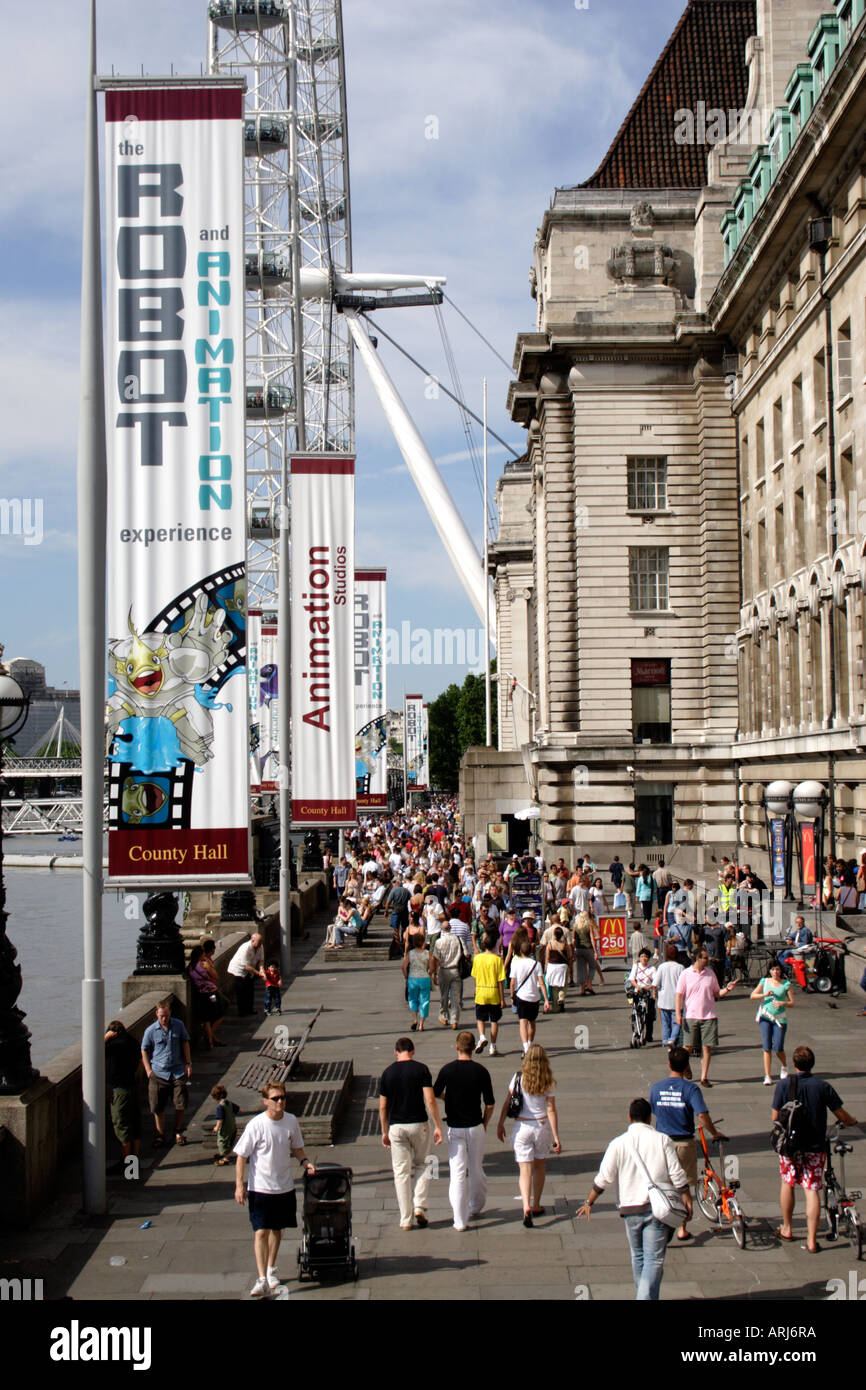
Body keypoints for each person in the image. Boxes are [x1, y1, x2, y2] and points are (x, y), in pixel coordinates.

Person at [577, 1098, 692, 1300]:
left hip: (630, 1210)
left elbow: (604, 1178)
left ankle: (644, 1295)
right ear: (650, 1118)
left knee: (638, 1256)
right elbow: (676, 1173)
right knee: (653, 1261)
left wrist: (589, 1202)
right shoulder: (662, 1139)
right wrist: (686, 1195)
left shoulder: (618, 1143)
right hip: (657, 1209)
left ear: (629, 1117)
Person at [772, 1045, 858, 1252]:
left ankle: (788, 1228)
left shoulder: (784, 1085)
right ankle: (811, 1240)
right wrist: (851, 1121)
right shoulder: (823, 1086)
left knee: (788, 1182)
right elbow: (842, 1115)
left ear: (794, 1064)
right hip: (815, 1145)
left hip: (790, 1146)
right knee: (812, 1189)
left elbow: (775, 1118)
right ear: (812, 1064)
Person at [234, 1081, 316, 1297]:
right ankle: (261, 1279)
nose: (280, 1101)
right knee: (261, 1231)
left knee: (277, 1230)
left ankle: (270, 1269)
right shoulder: (256, 1125)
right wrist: (239, 1185)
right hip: (260, 1188)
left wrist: (305, 1162)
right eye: (275, 1098)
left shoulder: (291, 1121)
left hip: (284, 1186)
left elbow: (297, 1148)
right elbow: (241, 1156)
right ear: (265, 1102)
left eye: (282, 1097)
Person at [649, 1045, 726, 1241]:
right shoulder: (691, 1089)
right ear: (686, 1067)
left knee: (662, 1185)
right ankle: (682, 1228)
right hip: (683, 1143)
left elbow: (653, 1114)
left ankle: (660, 1223)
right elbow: (702, 1115)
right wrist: (714, 1132)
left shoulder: (656, 1088)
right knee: (682, 1187)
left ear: (669, 1064)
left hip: (661, 1143)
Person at [378, 1036, 443, 1230]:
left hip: (396, 1127)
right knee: (423, 1164)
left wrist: (384, 1131)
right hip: (418, 1123)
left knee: (401, 1173)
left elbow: (382, 1107)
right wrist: (438, 1125)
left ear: (396, 1052)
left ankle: (405, 1219)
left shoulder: (387, 1073)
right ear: (413, 1051)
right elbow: (430, 1099)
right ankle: (419, 1206)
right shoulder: (421, 1069)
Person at [433, 1031, 495, 1230]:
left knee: (457, 1173)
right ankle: (476, 1206)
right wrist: (484, 1123)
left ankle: (459, 1220)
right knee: (476, 1168)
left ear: (457, 1047)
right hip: (475, 1125)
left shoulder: (447, 1070)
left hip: (455, 1126)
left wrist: (447, 1098)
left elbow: (434, 1092)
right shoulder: (481, 1071)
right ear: (473, 1048)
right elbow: (490, 1104)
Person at [497, 1044, 561, 1227]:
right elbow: (551, 1110)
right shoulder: (548, 1081)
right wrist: (556, 1137)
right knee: (540, 1166)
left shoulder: (518, 1078)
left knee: (524, 1170)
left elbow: (508, 1102)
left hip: (522, 1126)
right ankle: (536, 1205)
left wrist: (501, 1123)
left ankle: (525, 1206)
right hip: (541, 1126)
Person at [675, 947, 738, 1086]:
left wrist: (727, 989)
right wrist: (678, 1014)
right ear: (698, 958)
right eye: (705, 958)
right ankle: (683, 1067)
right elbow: (679, 995)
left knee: (707, 1047)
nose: (708, 960)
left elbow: (717, 993)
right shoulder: (686, 974)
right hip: (691, 1015)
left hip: (709, 1016)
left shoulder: (710, 974)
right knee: (687, 1047)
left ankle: (704, 1077)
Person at [140, 999, 192, 1148]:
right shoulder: (150, 1031)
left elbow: (185, 1042)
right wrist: (148, 1070)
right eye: (162, 1016)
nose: (164, 1019)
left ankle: (178, 1130)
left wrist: (188, 1063)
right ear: (156, 1013)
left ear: (170, 1014)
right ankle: (160, 1134)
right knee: (157, 1105)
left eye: (167, 1016)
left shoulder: (178, 1025)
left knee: (180, 1102)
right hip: (159, 1072)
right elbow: (144, 1049)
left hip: (177, 1071)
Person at [105, 1020, 142, 1167]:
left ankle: (127, 1164)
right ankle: (134, 1163)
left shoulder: (113, 1045)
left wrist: (105, 1039)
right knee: (135, 1124)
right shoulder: (132, 1042)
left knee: (122, 1126)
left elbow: (94, 1053)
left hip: (120, 1090)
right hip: (133, 1086)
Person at [751, 960, 795, 1085]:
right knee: (766, 1046)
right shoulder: (764, 982)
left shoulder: (786, 984)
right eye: (773, 970)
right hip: (765, 1017)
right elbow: (752, 995)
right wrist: (764, 994)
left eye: (778, 970)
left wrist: (783, 1003)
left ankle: (784, 1066)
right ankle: (768, 1075)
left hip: (780, 1019)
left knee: (778, 1047)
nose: (775, 972)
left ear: (781, 971)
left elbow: (792, 1002)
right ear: (769, 971)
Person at [510, 937, 551, 1053]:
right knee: (532, 1023)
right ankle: (529, 1042)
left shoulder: (516, 964)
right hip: (534, 997)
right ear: (530, 951)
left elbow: (512, 983)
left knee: (522, 1022)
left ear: (520, 951)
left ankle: (525, 1046)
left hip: (522, 996)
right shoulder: (536, 964)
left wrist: (512, 996)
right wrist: (546, 1000)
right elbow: (542, 983)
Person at [471, 932, 507, 1056]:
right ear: (494, 946)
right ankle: (493, 1046)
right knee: (494, 1020)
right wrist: (503, 999)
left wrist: (476, 990)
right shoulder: (498, 960)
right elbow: (501, 980)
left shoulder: (477, 958)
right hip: (494, 992)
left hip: (481, 991)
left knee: (480, 1018)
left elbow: (474, 976)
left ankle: (482, 1036)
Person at [187, 945, 227, 1049]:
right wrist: (209, 966)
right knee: (220, 1014)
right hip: (211, 994)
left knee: (206, 1019)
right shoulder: (203, 964)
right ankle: (210, 1036)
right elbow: (215, 976)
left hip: (200, 995)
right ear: (201, 954)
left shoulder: (190, 966)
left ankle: (210, 1041)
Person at [432, 917, 466, 1029]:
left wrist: (434, 973)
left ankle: (444, 1015)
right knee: (455, 996)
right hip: (455, 969)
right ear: (450, 928)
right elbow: (465, 953)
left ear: (442, 929)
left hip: (443, 969)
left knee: (444, 995)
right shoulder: (458, 939)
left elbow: (435, 959)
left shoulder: (439, 942)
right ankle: (454, 1019)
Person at [227, 932, 265, 1016]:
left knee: (250, 989)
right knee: (241, 990)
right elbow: (246, 966)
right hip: (239, 970)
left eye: (261, 942)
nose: (260, 944)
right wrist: (258, 973)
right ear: (252, 941)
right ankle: (242, 1011)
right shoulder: (245, 948)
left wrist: (262, 969)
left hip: (250, 969)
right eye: (259, 942)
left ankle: (249, 1009)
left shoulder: (260, 947)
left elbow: (261, 960)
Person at [654, 944, 685, 1046]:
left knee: (665, 1022)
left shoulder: (662, 967)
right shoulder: (681, 968)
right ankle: (672, 1038)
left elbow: (656, 983)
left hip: (663, 999)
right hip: (677, 999)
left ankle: (665, 1040)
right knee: (677, 1022)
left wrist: (655, 993)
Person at [403, 931, 432, 1031]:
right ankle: (421, 1024)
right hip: (424, 978)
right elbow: (432, 967)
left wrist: (406, 977)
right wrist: (430, 973)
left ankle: (415, 1019)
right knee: (425, 1001)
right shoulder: (427, 953)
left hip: (413, 978)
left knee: (412, 999)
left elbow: (403, 966)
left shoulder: (410, 953)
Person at [627, 949, 657, 1043]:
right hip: (638, 992)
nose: (644, 958)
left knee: (649, 1015)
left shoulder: (652, 968)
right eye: (642, 956)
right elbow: (632, 979)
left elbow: (655, 982)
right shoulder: (636, 966)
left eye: (646, 956)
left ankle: (648, 1035)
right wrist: (637, 987)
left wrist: (650, 988)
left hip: (648, 993)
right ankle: (636, 1030)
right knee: (636, 1012)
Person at [211, 1083, 242, 1166]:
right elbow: (238, 1109)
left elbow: (220, 1119)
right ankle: (224, 1153)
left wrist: (216, 1127)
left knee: (222, 1142)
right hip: (232, 1127)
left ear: (215, 1097)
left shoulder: (220, 1107)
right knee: (229, 1141)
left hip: (225, 1129)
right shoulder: (229, 1103)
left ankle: (225, 1158)